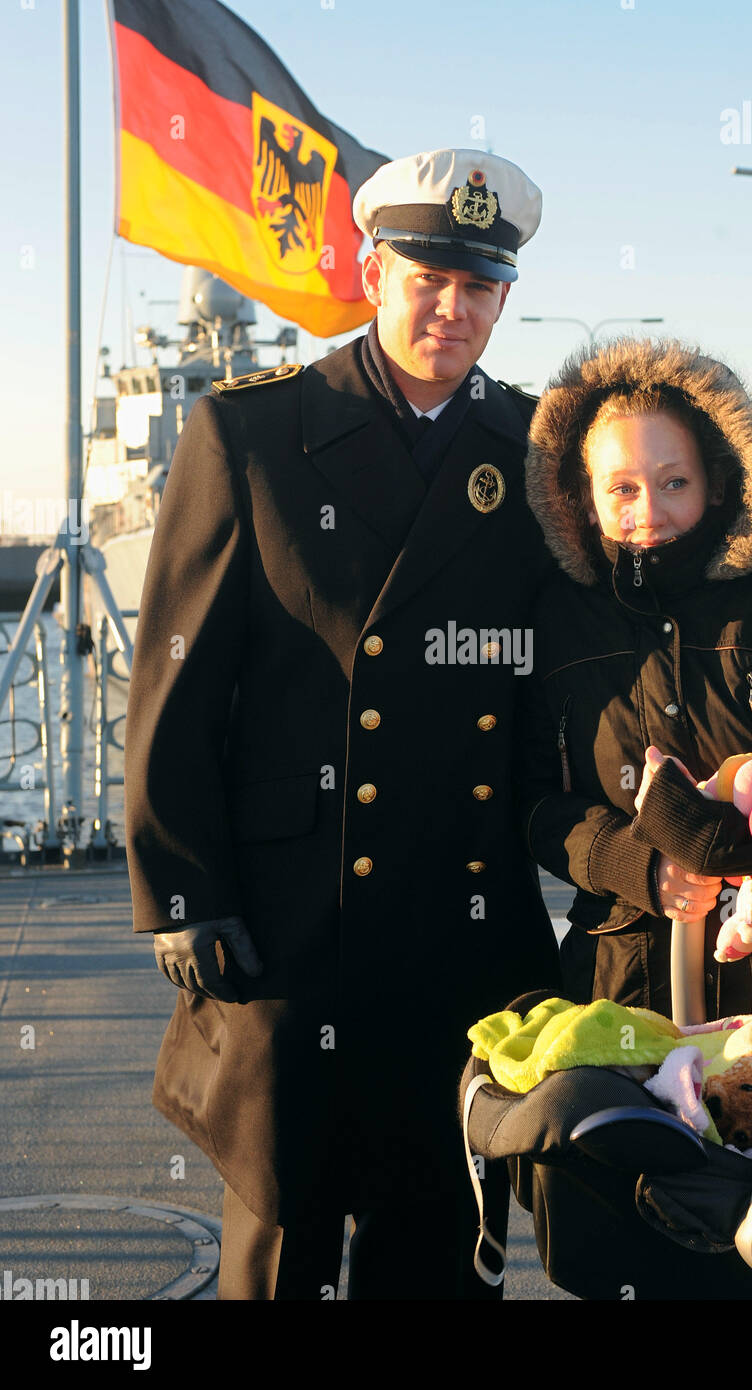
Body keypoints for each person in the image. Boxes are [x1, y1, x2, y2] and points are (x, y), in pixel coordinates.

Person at [124, 148, 561, 1300]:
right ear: (373, 271)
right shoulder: (253, 436)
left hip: (464, 926)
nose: (453, 309)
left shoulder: (533, 454)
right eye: (429, 278)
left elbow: (576, 671)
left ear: (505, 298)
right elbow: (177, 679)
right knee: (280, 1247)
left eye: (482, 288)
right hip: (286, 926)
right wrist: (183, 890)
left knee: (442, 1238)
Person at [518, 336, 752, 1017]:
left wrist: (726, 842)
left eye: (674, 483)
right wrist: (637, 864)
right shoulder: (554, 615)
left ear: (717, 481)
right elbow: (535, 801)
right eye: (622, 489)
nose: (649, 514)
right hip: (622, 989)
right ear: (581, 496)